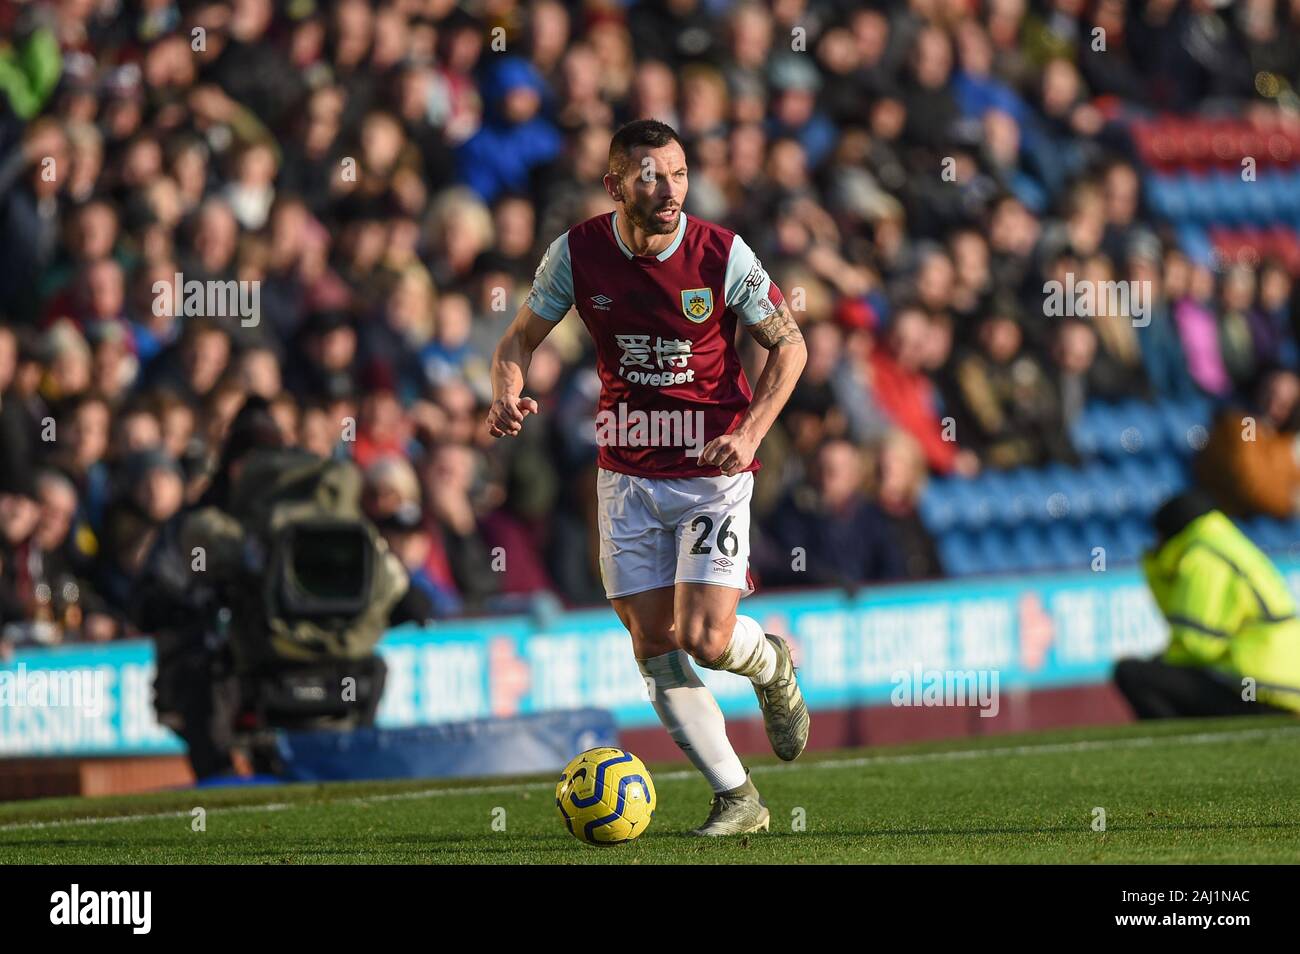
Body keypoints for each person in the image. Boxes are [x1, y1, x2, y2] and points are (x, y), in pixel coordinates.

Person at [486, 120, 809, 836]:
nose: (668, 191)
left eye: (679, 174)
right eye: (650, 176)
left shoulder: (721, 253)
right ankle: (738, 798)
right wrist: (507, 389)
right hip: (626, 471)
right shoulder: (576, 253)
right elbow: (519, 338)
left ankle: (771, 664)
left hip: (710, 467)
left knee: (706, 636)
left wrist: (750, 430)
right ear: (614, 186)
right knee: (652, 642)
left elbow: (789, 346)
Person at [1113, 491, 1300, 719]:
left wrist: (1159, 662)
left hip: (1258, 691)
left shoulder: (1202, 556)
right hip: (1283, 688)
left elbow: (1197, 642)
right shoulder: (1227, 543)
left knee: (1132, 673)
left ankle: (1174, 743)